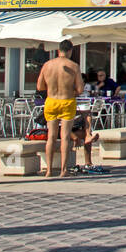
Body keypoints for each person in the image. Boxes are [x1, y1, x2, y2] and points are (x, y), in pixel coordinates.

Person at [36, 39, 89, 178]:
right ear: (70, 51)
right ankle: (63, 170)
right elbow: (80, 89)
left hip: (51, 101)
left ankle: (48, 170)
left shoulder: (47, 65)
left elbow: (40, 87)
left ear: (58, 50)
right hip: (67, 101)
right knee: (65, 137)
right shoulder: (73, 66)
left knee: (51, 137)